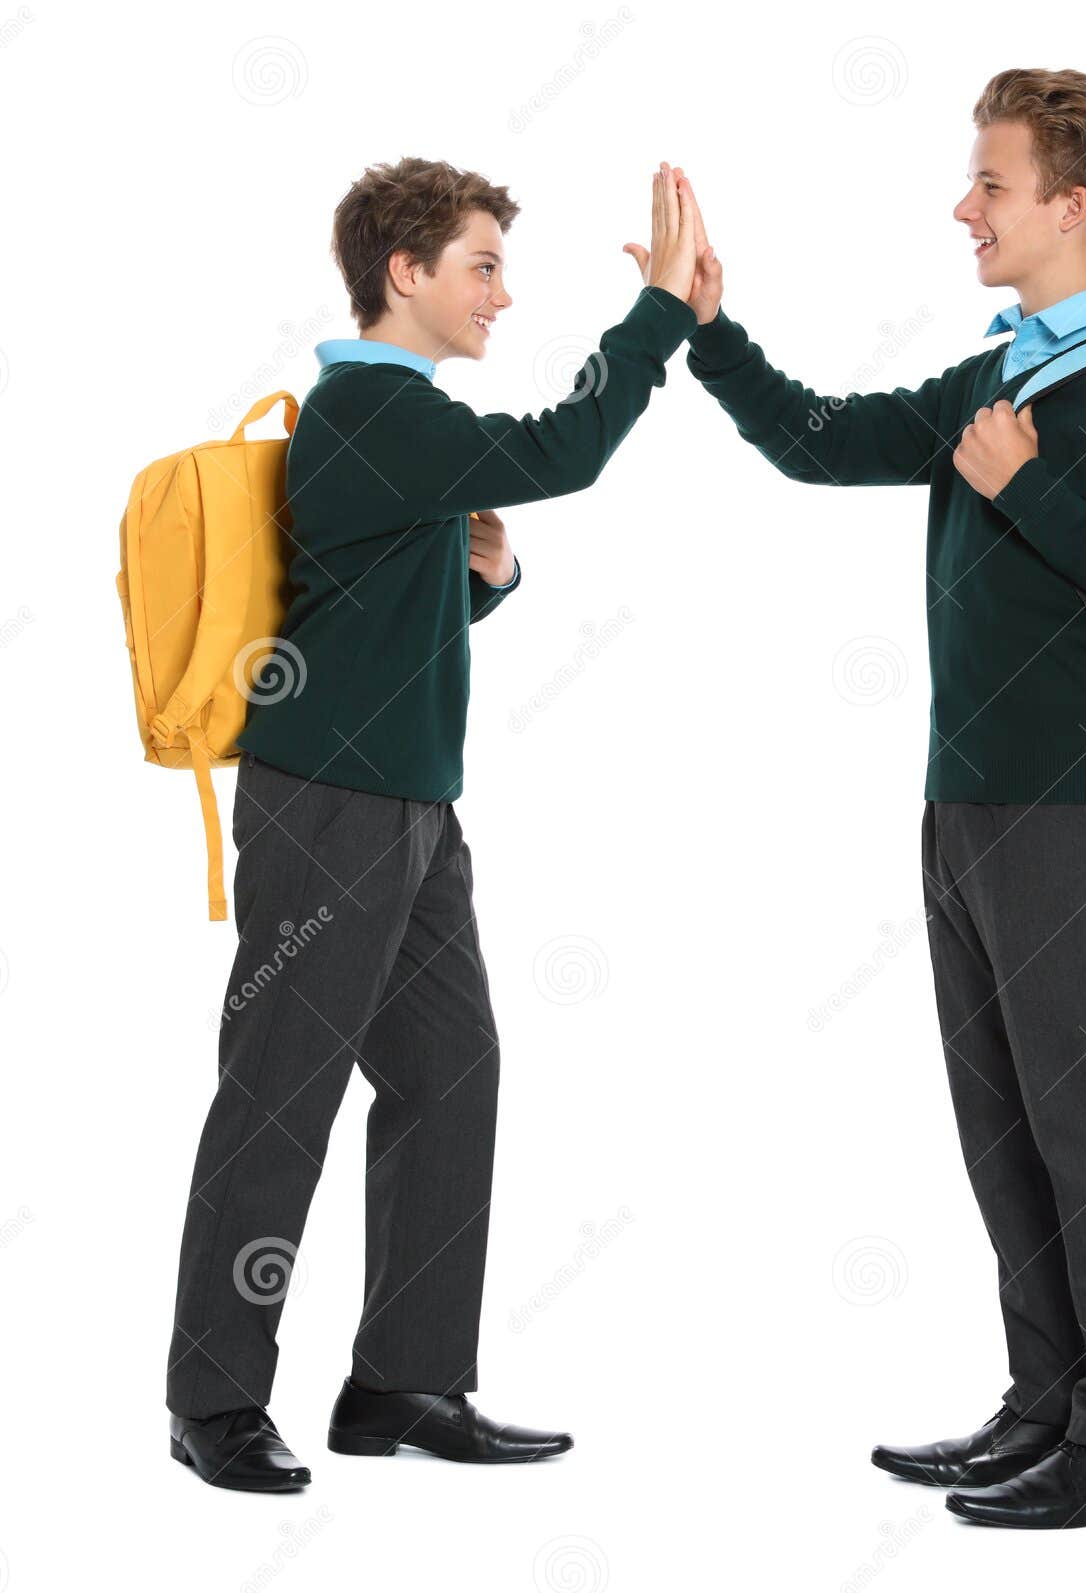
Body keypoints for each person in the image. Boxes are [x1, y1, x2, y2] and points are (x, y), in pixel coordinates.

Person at [667, 69, 1086, 1528]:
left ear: (1069, 204)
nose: (961, 207)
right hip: (961, 804)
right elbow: (816, 437)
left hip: (1063, 804)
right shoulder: (992, 378)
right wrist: (710, 331)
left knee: (1085, 1112)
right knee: (1002, 1118)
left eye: (989, 182)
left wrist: (1029, 490)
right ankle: (1049, 1400)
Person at [166, 157, 703, 1491]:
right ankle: (214, 1400)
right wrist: (657, 320)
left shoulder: (392, 429)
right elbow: (563, 447)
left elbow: (368, 630)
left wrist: (489, 579)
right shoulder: (371, 410)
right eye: (481, 266)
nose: (502, 295)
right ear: (403, 272)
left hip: (409, 805)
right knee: (282, 1089)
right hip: (332, 809)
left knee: (449, 1072)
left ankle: (403, 1381)